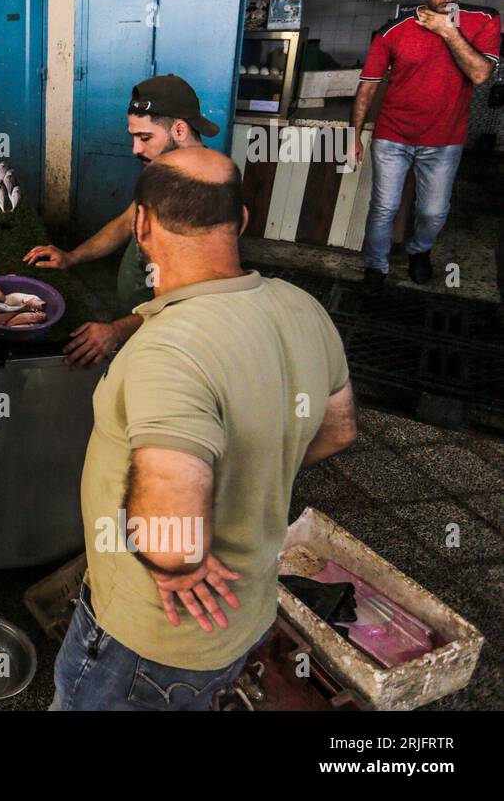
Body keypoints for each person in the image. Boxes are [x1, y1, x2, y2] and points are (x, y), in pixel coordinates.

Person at [51, 148, 357, 711]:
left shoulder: (168, 352)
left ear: (142, 226)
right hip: (243, 616)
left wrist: (176, 560)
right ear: (240, 221)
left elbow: (169, 531)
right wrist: (258, 466)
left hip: (150, 640)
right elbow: (339, 430)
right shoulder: (303, 307)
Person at [23, 74, 216, 367]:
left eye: (145, 138)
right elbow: (127, 221)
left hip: (169, 341)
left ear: (179, 129)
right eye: (134, 137)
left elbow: (190, 302)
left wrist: (117, 331)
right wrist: (71, 257)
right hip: (136, 321)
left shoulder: (205, 196)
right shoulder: (161, 170)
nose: (135, 150)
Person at [352, 0, 500, 295]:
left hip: (445, 140)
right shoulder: (393, 31)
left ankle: (420, 251)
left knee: (433, 211)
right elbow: (368, 86)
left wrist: (448, 30)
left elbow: (480, 74)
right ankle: (376, 265)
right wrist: (354, 135)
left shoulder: (483, 21)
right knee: (384, 207)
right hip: (392, 135)